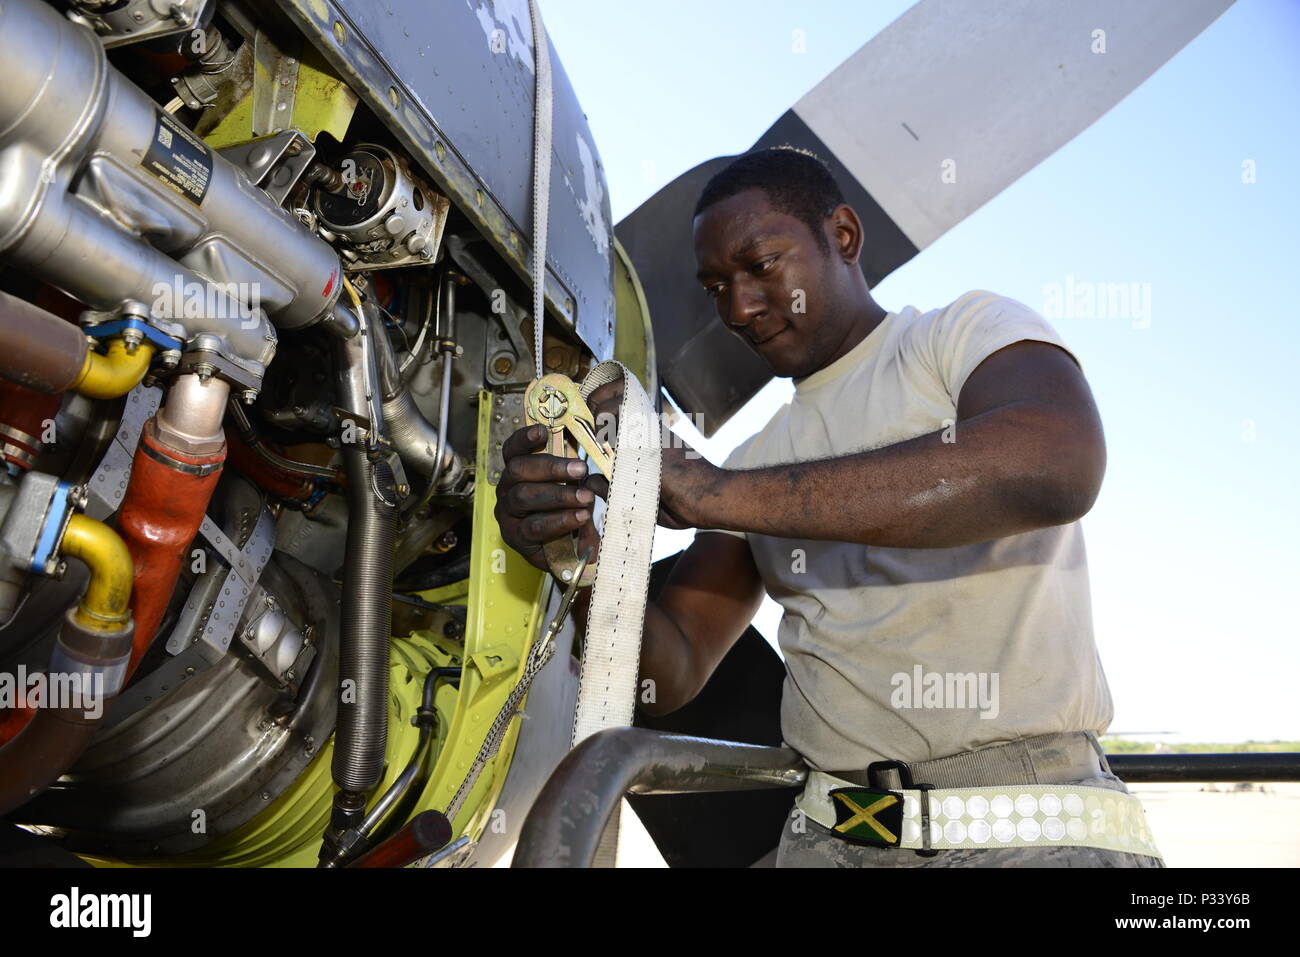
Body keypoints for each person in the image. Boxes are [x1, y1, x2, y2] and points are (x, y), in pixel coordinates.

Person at [494, 147, 1162, 868]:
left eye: (760, 265)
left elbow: (1057, 462)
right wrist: (580, 557)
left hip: (1028, 830)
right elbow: (671, 670)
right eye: (717, 286)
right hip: (829, 839)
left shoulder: (959, 336)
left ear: (843, 235)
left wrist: (717, 492)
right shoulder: (752, 455)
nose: (739, 308)